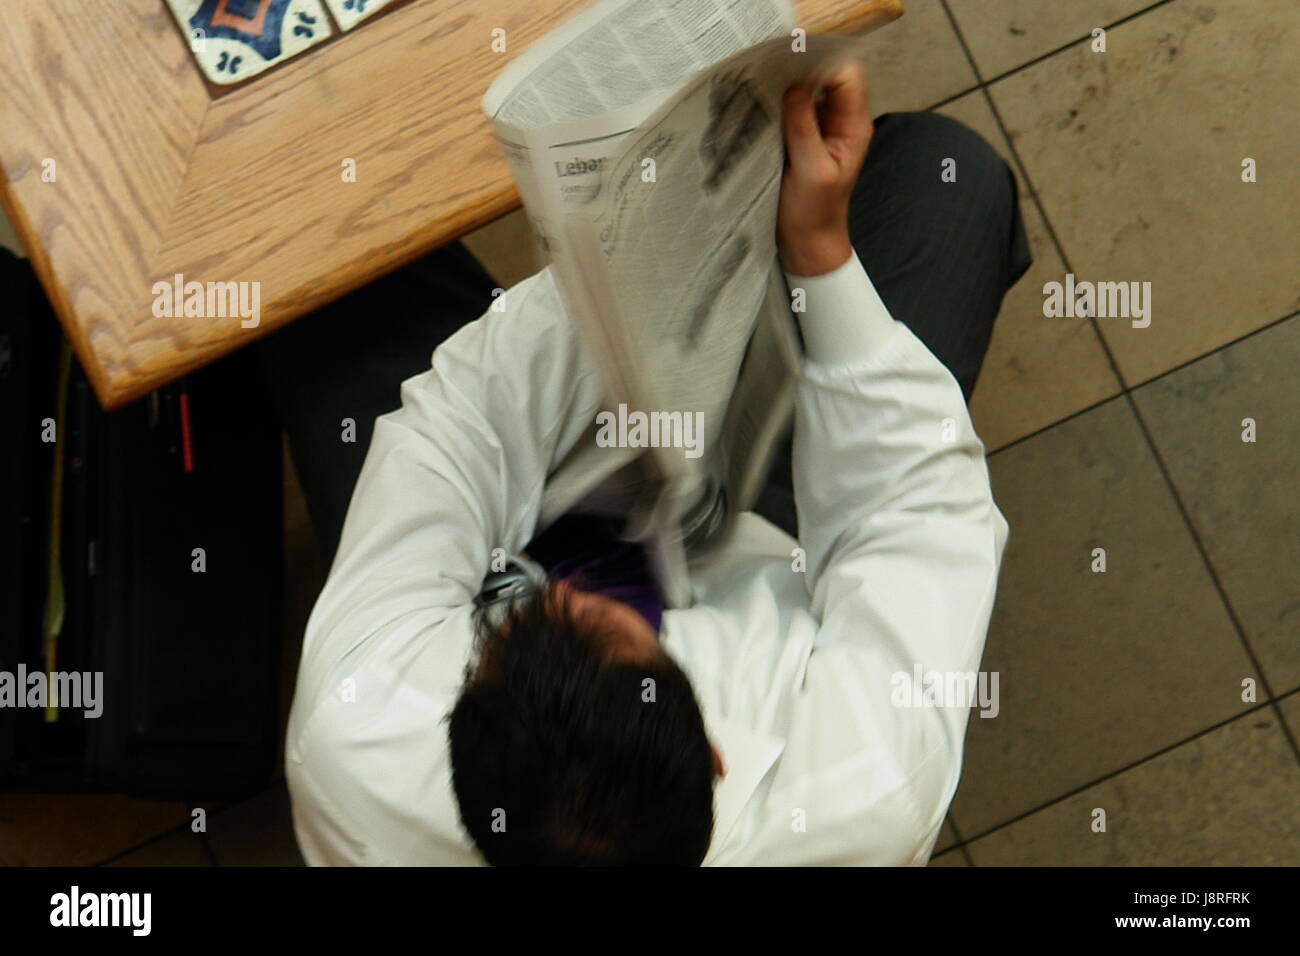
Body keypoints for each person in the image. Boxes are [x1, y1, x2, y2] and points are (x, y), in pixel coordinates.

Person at [272, 62, 1031, 866]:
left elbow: (458, 429)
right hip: (774, 545)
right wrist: (814, 249)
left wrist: (628, 265)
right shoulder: (865, 790)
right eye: (601, 617)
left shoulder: (362, 736)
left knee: (301, 233)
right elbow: (912, 519)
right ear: (712, 755)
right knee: (951, 180)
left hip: (503, 530)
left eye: (526, 619)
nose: (564, 588)